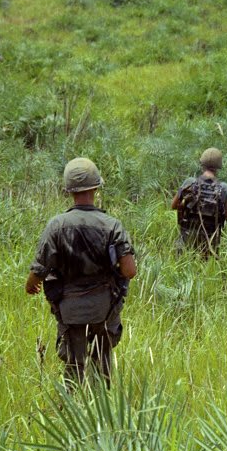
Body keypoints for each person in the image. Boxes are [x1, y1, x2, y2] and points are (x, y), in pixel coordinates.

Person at [25, 157, 137, 386]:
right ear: (96, 187)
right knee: (102, 367)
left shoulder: (56, 225)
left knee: (73, 369)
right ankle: (101, 414)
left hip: (70, 309)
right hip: (105, 307)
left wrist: (31, 284)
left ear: (68, 190)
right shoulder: (112, 225)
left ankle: (72, 414)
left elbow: (37, 272)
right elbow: (129, 270)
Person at [171, 147, 227, 258]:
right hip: (211, 240)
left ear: (202, 164)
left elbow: (173, 205)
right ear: (218, 167)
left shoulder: (189, 182)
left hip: (187, 237)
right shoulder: (224, 188)